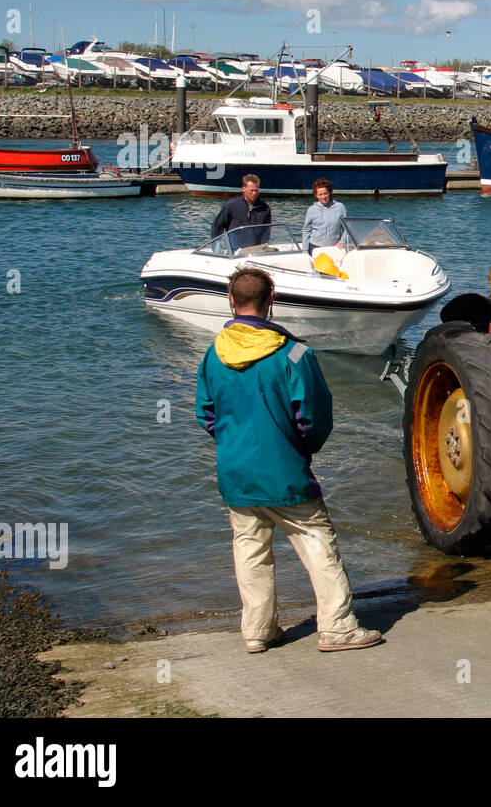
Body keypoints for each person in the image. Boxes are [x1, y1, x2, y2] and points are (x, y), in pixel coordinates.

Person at [195, 267, 382, 654]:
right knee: (316, 540)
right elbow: (315, 417)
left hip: (235, 473)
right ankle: (337, 627)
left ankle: (258, 631)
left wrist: (233, 444)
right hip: (284, 470)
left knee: (250, 549)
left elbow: (206, 415)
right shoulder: (295, 352)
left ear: (231, 300)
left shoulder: (213, 354)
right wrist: (301, 448)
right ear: (272, 298)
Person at [212, 174, 272, 251]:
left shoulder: (265, 208)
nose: (254, 193)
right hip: (234, 251)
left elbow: (266, 232)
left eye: (256, 190)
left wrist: (262, 248)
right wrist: (216, 248)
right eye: (251, 190)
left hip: (255, 251)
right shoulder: (231, 205)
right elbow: (217, 227)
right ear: (243, 189)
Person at [302, 178, 347, 256]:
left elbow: (347, 227)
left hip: (334, 247)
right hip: (315, 247)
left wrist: (342, 242)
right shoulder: (311, 210)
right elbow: (306, 230)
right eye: (320, 194)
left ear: (330, 192)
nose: (323, 197)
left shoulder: (340, 207)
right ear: (316, 195)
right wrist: (305, 251)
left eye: (325, 193)